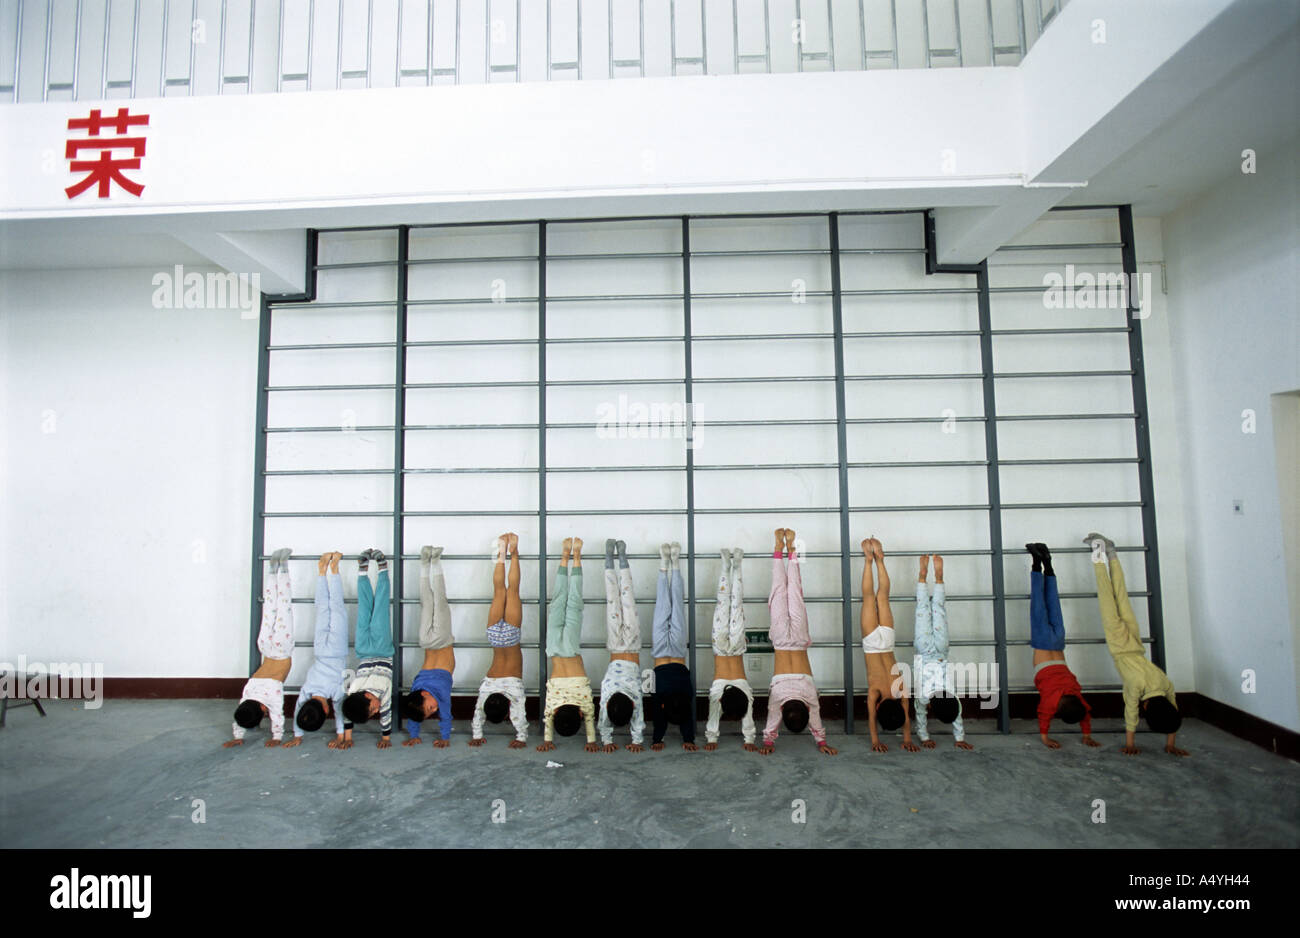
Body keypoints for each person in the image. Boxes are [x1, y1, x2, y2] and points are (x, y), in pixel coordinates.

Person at [1086, 533, 1187, 757]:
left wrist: (1171, 742)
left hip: (1136, 641)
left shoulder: (1165, 682)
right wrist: (1130, 743)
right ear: (1146, 708)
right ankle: (1097, 550)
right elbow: (1131, 712)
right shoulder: (1136, 685)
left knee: (1121, 595)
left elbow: (1173, 711)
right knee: (1106, 595)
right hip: (1120, 645)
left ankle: (1110, 552)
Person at [760, 529, 836, 755]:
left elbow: (816, 721)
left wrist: (822, 742)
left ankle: (791, 549)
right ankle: (777, 548)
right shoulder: (777, 699)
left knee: (795, 592)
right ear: (783, 710)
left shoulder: (810, 697)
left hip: (800, 640)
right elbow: (771, 725)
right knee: (778, 591)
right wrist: (768, 743)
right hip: (782, 641)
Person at [1025, 542, 1099, 750]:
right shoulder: (1050, 702)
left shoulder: (1076, 695)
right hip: (1042, 648)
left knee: (1052, 602)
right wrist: (1045, 738)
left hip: (1058, 646)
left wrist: (1087, 734)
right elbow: (1044, 718)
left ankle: (1048, 564)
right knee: (1038, 603)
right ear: (1058, 707)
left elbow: (1085, 714)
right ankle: (1036, 563)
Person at [226, 547, 294, 747]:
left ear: (263, 712)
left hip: (282, 649)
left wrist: (276, 737)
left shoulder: (272, 698)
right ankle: (273, 570)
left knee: (284, 605)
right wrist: (236, 735)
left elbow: (278, 717)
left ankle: (284, 567)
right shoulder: (247, 693)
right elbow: (240, 714)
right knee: (270, 607)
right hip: (265, 646)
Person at [538, 538, 599, 752]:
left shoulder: (584, 702)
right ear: (557, 714)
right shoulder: (552, 703)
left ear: (579, 714)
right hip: (553, 648)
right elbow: (547, 717)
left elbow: (590, 718)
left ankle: (576, 557)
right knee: (558, 600)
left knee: (574, 601)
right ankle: (565, 558)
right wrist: (547, 740)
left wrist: (591, 741)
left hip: (571, 648)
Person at [468, 533, 529, 748]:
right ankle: (502, 553)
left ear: (507, 713)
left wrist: (520, 737)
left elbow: (520, 715)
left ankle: (514, 552)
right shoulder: (486, 690)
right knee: (499, 591)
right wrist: (476, 734)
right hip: (494, 636)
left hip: (511, 637)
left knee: (512, 590)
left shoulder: (514, 693)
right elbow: (478, 712)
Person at [286, 551, 349, 749]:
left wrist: (341, 736)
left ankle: (334, 568)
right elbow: (298, 709)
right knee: (322, 608)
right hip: (319, 648)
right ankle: (322, 573)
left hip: (337, 650)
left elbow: (340, 711)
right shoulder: (307, 689)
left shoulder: (334, 690)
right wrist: (297, 733)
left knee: (336, 608)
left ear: (324, 708)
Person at [861, 537, 917, 753]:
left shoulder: (901, 689)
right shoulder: (875, 692)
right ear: (878, 706)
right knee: (869, 598)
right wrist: (875, 741)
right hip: (872, 644)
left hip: (888, 641)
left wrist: (908, 737)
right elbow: (872, 718)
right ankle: (868, 560)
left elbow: (904, 714)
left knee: (883, 597)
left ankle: (880, 561)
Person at [911, 553, 973, 751]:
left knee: (938, 609)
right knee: (923, 609)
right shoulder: (923, 697)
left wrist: (960, 736)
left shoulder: (952, 696)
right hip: (924, 649)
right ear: (932, 707)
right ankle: (922, 578)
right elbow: (920, 718)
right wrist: (925, 737)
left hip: (941, 650)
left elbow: (957, 715)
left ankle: (937, 579)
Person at [400, 545, 457, 749]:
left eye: (430, 707)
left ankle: (436, 560)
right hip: (424, 641)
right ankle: (425, 563)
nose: (435, 710)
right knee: (427, 601)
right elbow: (414, 712)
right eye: (432, 711)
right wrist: (413, 734)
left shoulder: (440, 694)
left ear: (424, 695)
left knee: (439, 598)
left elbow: (446, 715)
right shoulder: (416, 690)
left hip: (441, 639)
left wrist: (445, 738)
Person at [339, 549, 394, 749]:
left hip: (363, 650)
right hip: (382, 649)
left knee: (365, 607)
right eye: (373, 713)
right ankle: (382, 569)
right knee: (380, 607)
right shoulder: (383, 693)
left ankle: (362, 571)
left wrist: (347, 736)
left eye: (372, 710)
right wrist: (385, 738)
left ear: (368, 697)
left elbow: (347, 712)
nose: (376, 712)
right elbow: (386, 713)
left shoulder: (354, 690)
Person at [706, 546, 757, 751]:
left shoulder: (745, 693)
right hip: (726, 648)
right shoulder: (718, 694)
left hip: (730, 647)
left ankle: (731, 566)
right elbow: (716, 715)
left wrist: (712, 739)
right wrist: (749, 740)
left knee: (733, 604)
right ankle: (732, 566)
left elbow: (746, 716)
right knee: (727, 603)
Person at [648, 542, 698, 751]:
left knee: (665, 604)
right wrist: (688, 739)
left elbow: (663, 717)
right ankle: (674, 564)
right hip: (674, 652)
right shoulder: (674, 699)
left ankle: (666, 565)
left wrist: (657, 739)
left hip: (664, 652)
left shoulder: (686, 696)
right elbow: (665, 716)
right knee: (674, 605)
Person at [598, 538, 646, 753]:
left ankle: (617, 559)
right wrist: (607, 740)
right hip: (618, 647)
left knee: (625, 601)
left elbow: (638, 720)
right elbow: (603, 722)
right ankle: (613, 559)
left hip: (627, 647)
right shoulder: (606, 696)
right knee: (615, 602)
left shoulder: (635, 696)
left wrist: (636, 741)